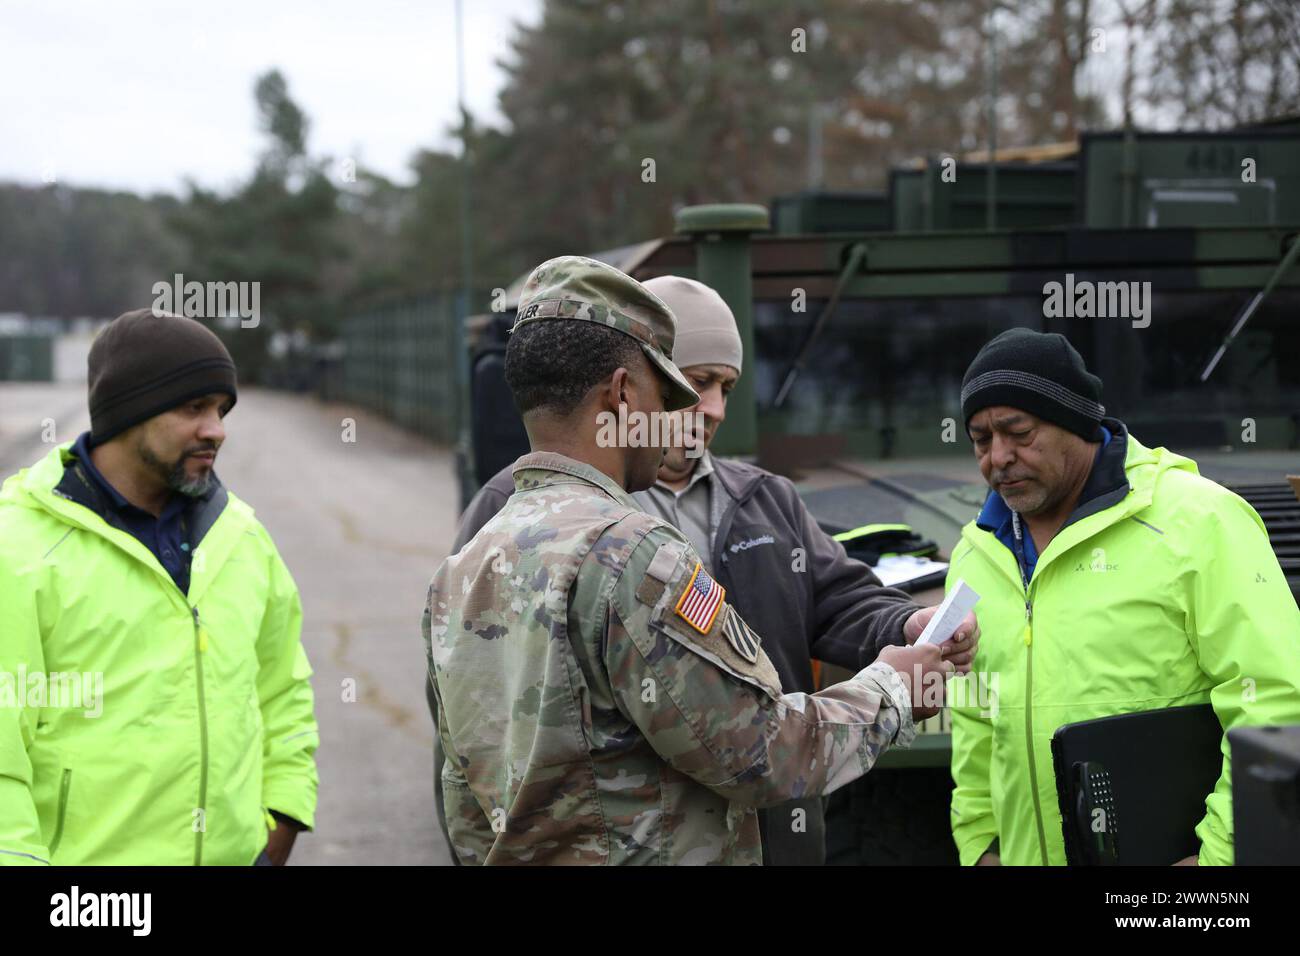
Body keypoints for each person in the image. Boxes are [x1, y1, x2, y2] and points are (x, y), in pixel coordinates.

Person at [422, 255, 971, 865]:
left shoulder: (463, 568)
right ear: (624, 392)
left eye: (723, 388)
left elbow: (463, 785)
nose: (701, 411)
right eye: (677, 389)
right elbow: (759, 753)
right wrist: (894, 688)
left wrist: (896, 624)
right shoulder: (633, 552)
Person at [947, 327, 1300, 867]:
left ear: (1076, 422)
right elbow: (974, 717)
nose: (998, 458)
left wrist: (1221, 861)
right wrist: (982, 846)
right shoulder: (974, 557)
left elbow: (1276, 700)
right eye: (980, 439)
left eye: (1018, 432)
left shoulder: (1200, 521)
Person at [0, 309, 318, 865]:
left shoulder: (240, 536)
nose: (216, 429)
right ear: (129, 411)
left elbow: (282, 692)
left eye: (220, 410)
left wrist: (281, 822)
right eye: (193, 407)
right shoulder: (19, 545)